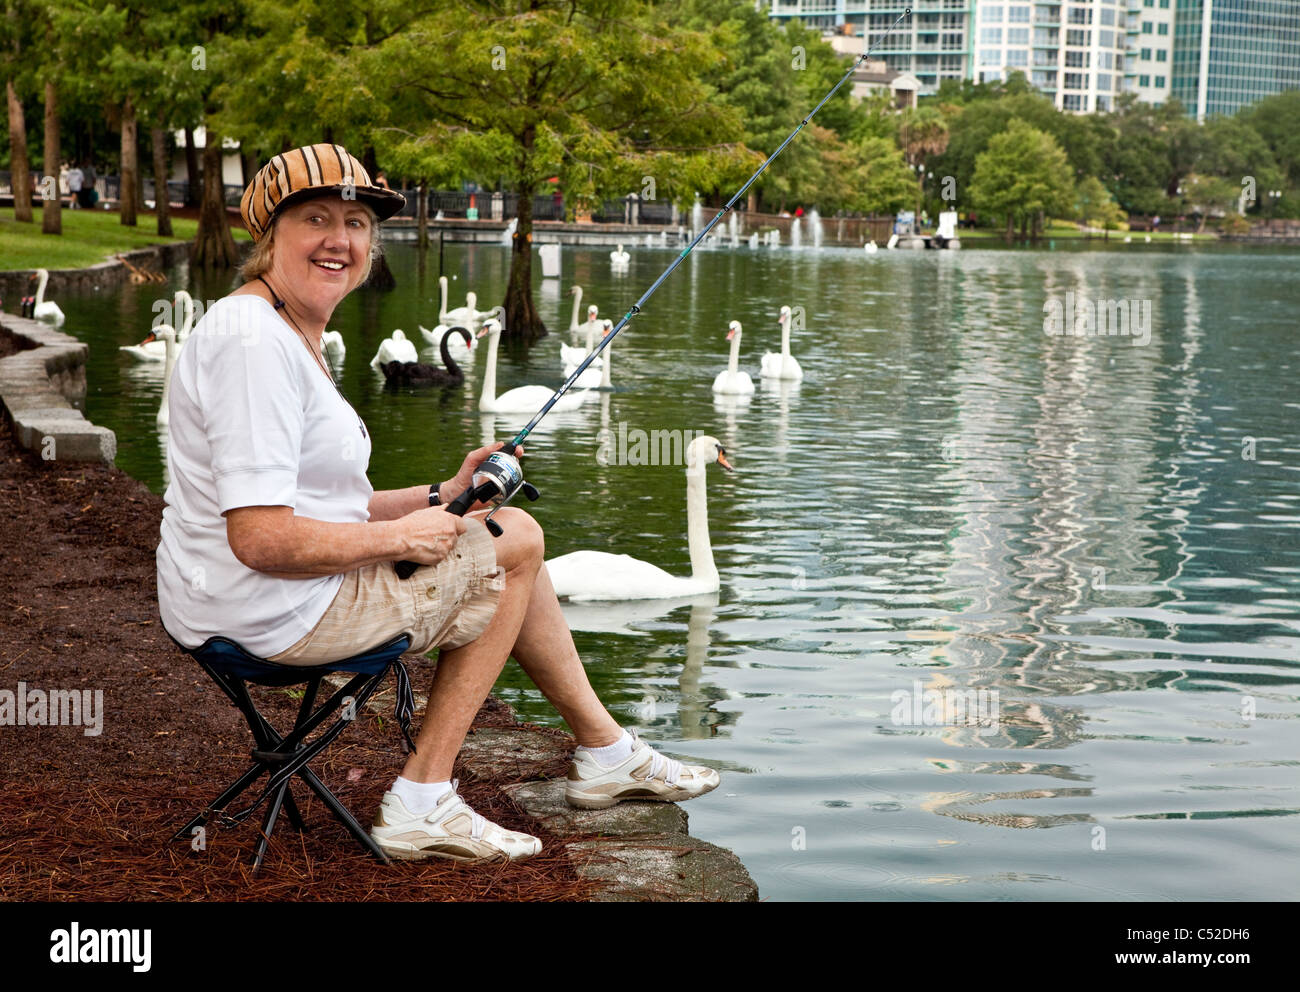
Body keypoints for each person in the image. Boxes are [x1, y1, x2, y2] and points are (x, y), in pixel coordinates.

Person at [155, 143, 719, 863]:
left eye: (358, 224)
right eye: (316, 219)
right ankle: (424, 797)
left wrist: (443, 496)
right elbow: (263, 539)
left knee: (502, 533)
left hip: (236, 598)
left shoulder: (278, 329)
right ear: (268, 237)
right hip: (268, 609)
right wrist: (400, 541)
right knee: (516, 537)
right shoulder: (253, 344)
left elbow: (325, 503)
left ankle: (607, 751)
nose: (341, 240)